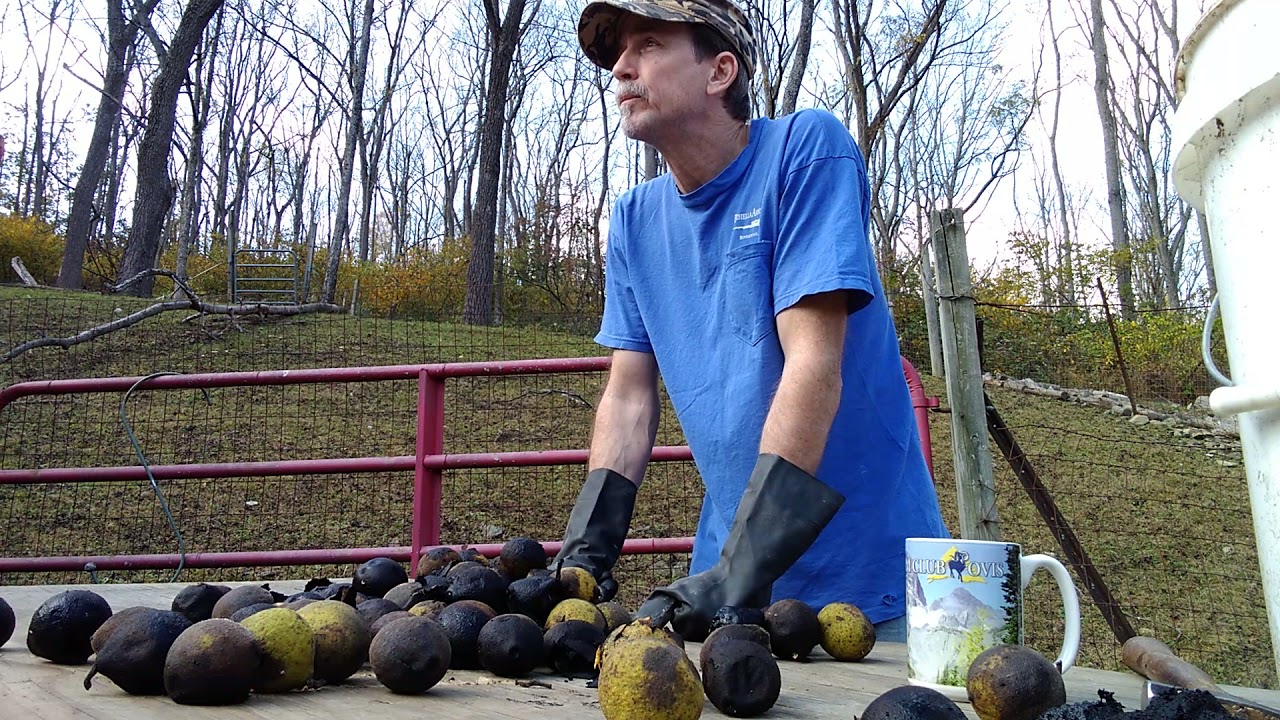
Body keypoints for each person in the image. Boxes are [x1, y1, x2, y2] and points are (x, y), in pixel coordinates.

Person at [552, 0, 949, 642]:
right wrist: (584, 557)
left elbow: (813, 358)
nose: (621, 67)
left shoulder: (806, 151)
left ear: (720, 72)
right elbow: (627, 397)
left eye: (648, 44)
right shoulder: (633, 221)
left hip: (868, 581)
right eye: (616, 53)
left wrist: (744, 568)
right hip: (725, 588)